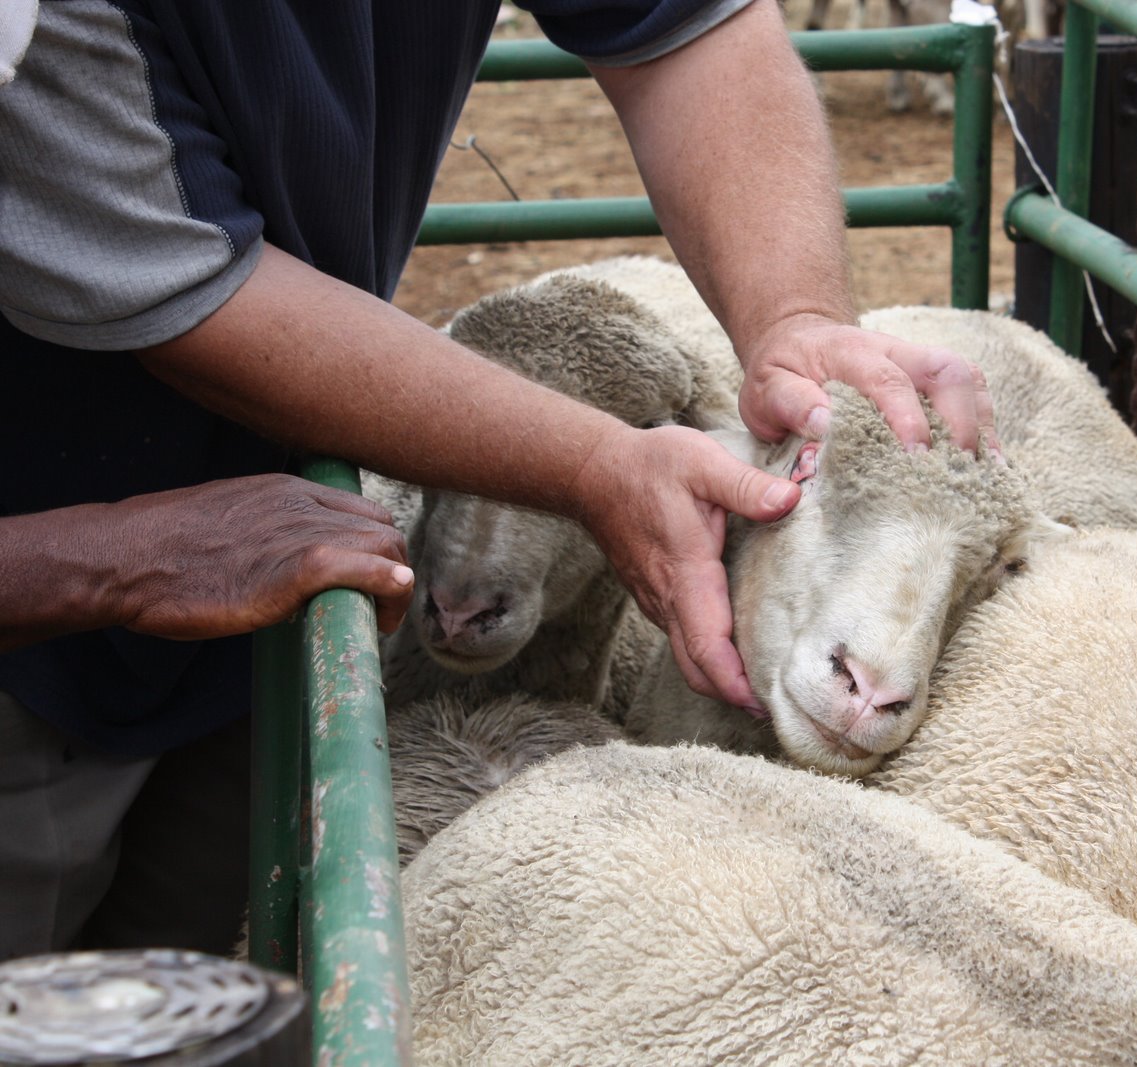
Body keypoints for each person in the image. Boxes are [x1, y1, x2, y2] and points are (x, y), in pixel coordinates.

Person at [0, 0, 996, 958]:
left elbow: (687, 26)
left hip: (280, 547)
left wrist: (795, 315)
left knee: (235, 977)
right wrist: (593, 462)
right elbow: (176, 277)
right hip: (39, 603)